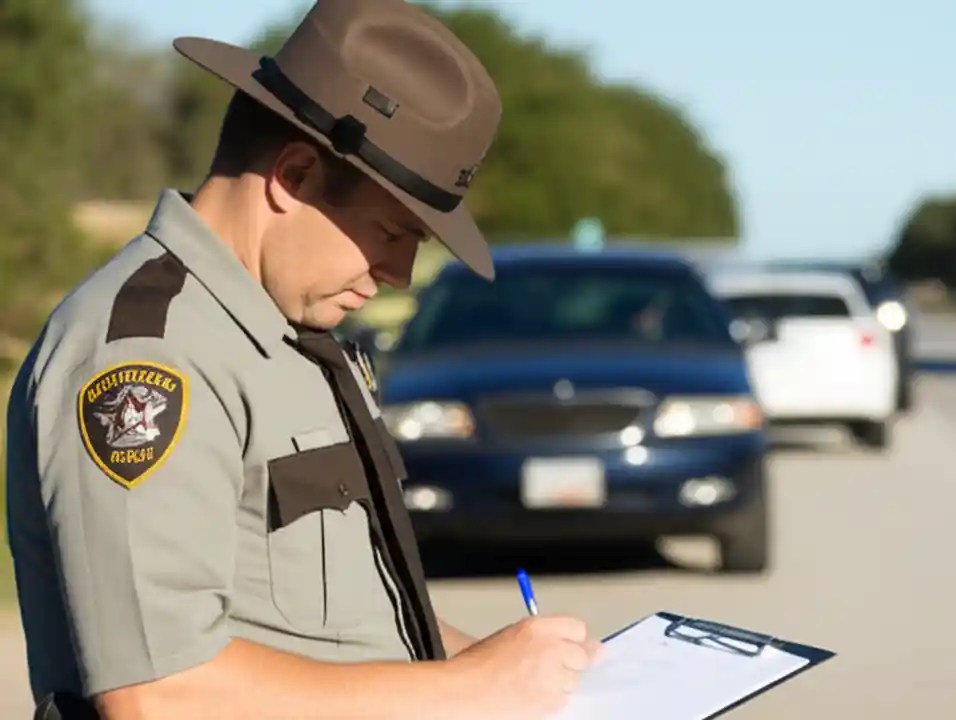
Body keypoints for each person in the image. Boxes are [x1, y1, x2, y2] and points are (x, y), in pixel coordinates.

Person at [4, 1, 600, 718]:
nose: (400, 273)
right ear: (292, 176)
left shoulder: (292, 337)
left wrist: (529, 678)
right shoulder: (147, 355)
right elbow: (159, 694)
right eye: (391, 231)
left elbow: (347, 627)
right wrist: (472, 688)